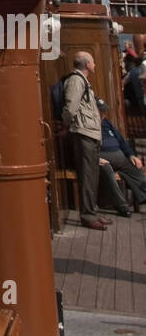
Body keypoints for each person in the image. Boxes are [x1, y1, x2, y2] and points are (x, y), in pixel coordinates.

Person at [61, 52, 109, 230]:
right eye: (93, 62)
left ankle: (93, 211)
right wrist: (66, 126)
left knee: (92, 174)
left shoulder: (82, 81)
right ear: (87, 64)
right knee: (87, 176)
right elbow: (71, 106)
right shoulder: (76, 81)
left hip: (90, 133)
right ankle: (88, 216)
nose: (95, 64)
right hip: (83, 133)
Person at [95, 99, 146, 215]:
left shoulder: (107, 123)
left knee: (135, 168)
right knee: (108, 172)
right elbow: (88, 147)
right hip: (102, 158)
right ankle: (123, 207)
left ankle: (144, 197)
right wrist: (96, 157)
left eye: (104, 111)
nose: (103, 114)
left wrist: (131, 155)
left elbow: (121, 141)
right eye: (101, 111)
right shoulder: (89, 126)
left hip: (120, 157)